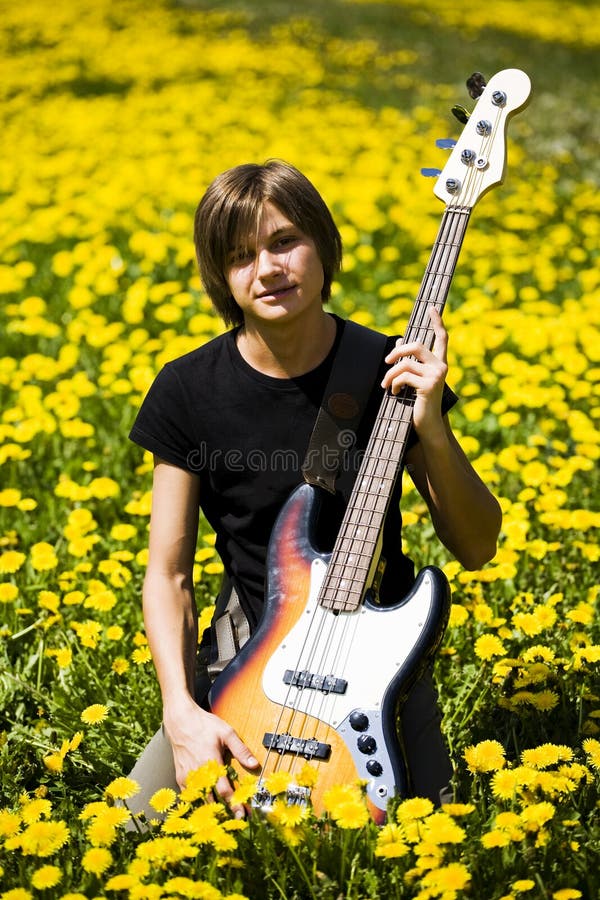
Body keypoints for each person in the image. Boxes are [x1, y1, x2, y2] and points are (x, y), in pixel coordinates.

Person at [125, 160, 502, 822]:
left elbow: (475, 546)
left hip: (379, 663)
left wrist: (432, 426)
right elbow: (168, 576)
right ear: (221, 277)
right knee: (136, 827)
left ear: (324, 249)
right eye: (240, 255)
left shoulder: (388, 369)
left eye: (283, 241)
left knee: (432, 847)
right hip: (250, 656)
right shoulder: (188, 389)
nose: (266, 268)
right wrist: (182, 713)